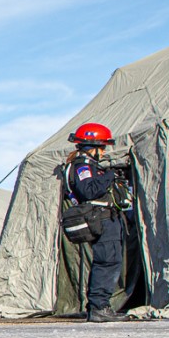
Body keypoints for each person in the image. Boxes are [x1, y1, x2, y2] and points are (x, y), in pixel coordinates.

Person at [63, 122, 126, 322]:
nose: (105, 151)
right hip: (100, 218)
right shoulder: (83, 166)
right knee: (107, 261)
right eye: (103, 147)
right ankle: (99, 307)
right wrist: (108, 176)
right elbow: (88, 190)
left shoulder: (91, 166)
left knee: (110, 261)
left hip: (106, 217)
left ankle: (99, 305)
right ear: (94, 146)